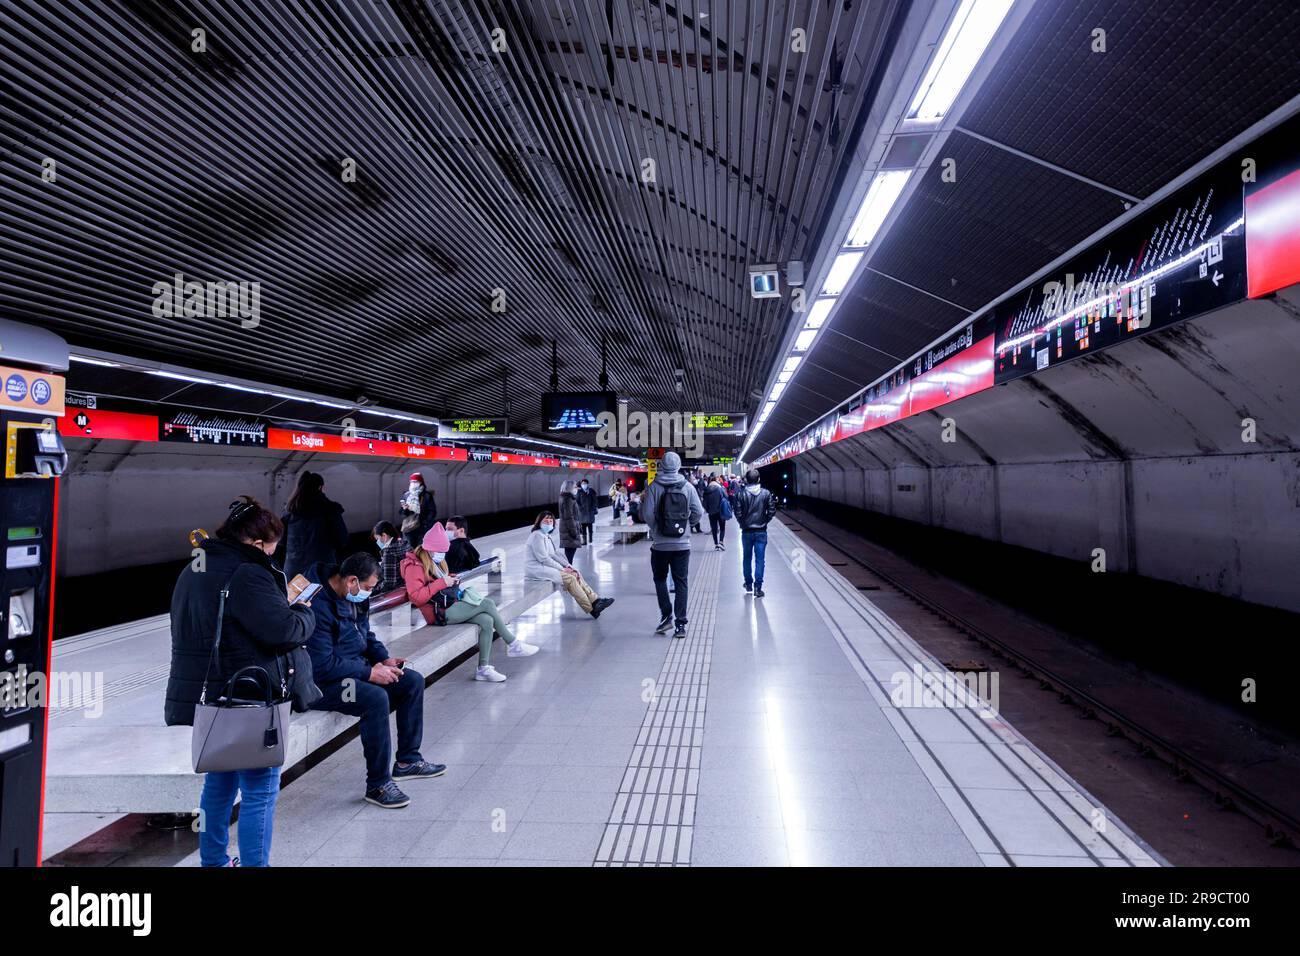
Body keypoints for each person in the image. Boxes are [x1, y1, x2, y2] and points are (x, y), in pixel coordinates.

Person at [166, 496, 317, 867]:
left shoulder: (194, 569)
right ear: (255, 543)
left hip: (208, 694)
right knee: (260, 790)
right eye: (270, 546)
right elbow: (283, 631)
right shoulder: (248, 572)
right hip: (249, 694)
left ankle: (214, 862)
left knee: (218, 785)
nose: (271, 553)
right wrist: (302, 612)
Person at [304, 553, 444, 809]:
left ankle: (407, 760)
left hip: (353, 670)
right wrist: (369, 673)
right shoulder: (317, 605)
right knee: (375, 699)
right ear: (352, 581)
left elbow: (365, 635)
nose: (367, 594)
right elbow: (321, 665)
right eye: (367, 588)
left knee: (411, 681)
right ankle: (378, 784)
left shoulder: (354, 599)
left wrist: (383, 659)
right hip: (322, 684)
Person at [402, 523, 539, 683]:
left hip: (448, 605)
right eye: (440, 551)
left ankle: (483, 669)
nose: (443, 555)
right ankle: (513, 644)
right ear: (430, 548)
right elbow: (416, 597)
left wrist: (450, 579)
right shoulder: (414, 567)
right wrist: (442, 583)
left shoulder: (433, 561)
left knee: (487, 620)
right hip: (437, 613)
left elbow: (437, 581)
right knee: (487, 604)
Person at [638, 451, 703, 639]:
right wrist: (685, 527)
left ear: (661, 465)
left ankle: (666, 615)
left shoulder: (653, 487)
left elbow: (648, 514)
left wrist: (658, 530)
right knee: (681, 582)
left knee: (660, 579)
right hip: (682, 545)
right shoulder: (688, 487)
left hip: (660, 545)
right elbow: (698, 511)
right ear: (678, 465)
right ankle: (680, 625)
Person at [524, 511, 614, 620]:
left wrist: (569, 566)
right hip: (536, 569)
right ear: (539, 522)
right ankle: (591, 609)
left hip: (544, 566)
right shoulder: (536, 536)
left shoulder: (545, 536)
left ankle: (595, 600)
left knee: (576, 572)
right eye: (545, 520)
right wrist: (562, 569)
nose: (548, 522)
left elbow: (553, 554)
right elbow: (544, 559)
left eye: (550, 520)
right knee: (570, 578)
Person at [280, 470, 348, 579]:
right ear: (320, 487)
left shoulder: (289, 511)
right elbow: (342, 540)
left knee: (297, 596)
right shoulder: (330, 509)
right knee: (320, 595)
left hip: (293, 572)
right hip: (321, 571)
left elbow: (281, 541)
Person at [734, 468, 778, 597]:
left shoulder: (740, 494)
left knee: (747, 558)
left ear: (746, 480)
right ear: (758, 479)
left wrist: (743, 523)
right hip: (761, 532)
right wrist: (764, 521)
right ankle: (758, 588)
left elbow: (738, 513)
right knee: (760, 559)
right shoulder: (766, 493)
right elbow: (771, 511)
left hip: (746, 532)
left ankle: (748, 584)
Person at [399, 472, 436, 549]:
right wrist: (404, 510)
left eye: (415, 482)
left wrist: (425, 523)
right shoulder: (406, 495)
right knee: (409, 549)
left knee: (421, 549)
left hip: (422, 529)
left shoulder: (426, 496)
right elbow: (401, 513)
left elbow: (432, 511)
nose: (413, 483)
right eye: (411, 482)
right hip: (409, 528)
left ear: (421, 482)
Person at [372, 520, 409, 595]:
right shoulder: (403, 543)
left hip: (398, 589)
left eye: (378, 539)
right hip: (407, 583)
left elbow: (389, 583)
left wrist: (373, 591)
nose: (377, 542)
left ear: (384, 535)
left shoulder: (389, 551)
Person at [557, 480, 583, 563]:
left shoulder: (566, 498)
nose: (576, 489)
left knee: (569, 553)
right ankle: (569, 572)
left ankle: (569, 571)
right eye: (575, 487)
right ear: (569, 488)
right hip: (569, 530)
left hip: (567, 528)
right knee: (569, 554)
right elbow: (569, 517)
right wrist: (574, 531)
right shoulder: (568, 499)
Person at [703, 475, 728, 551]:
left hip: (711, 512)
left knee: (714, 528)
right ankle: (721, 542)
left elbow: (704, 503)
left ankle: (716, 544)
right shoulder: (720, 489)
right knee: (722, 527)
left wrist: (708, 510)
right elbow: (726, 497)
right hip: (720, 511)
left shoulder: (706, 490)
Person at [576, 478, 598, 544]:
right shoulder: (579, 492)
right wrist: (580, 508)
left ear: (587, 484)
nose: (584, 485)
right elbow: (577, 501)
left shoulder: (591, 491)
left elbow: (595, 501)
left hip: (590, 512)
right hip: (582, 513)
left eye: (585, 483)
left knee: (590, 526)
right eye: (582, 483)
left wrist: (593, 508)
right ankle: (584, 541)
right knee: (583, 527)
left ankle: (590, 539)